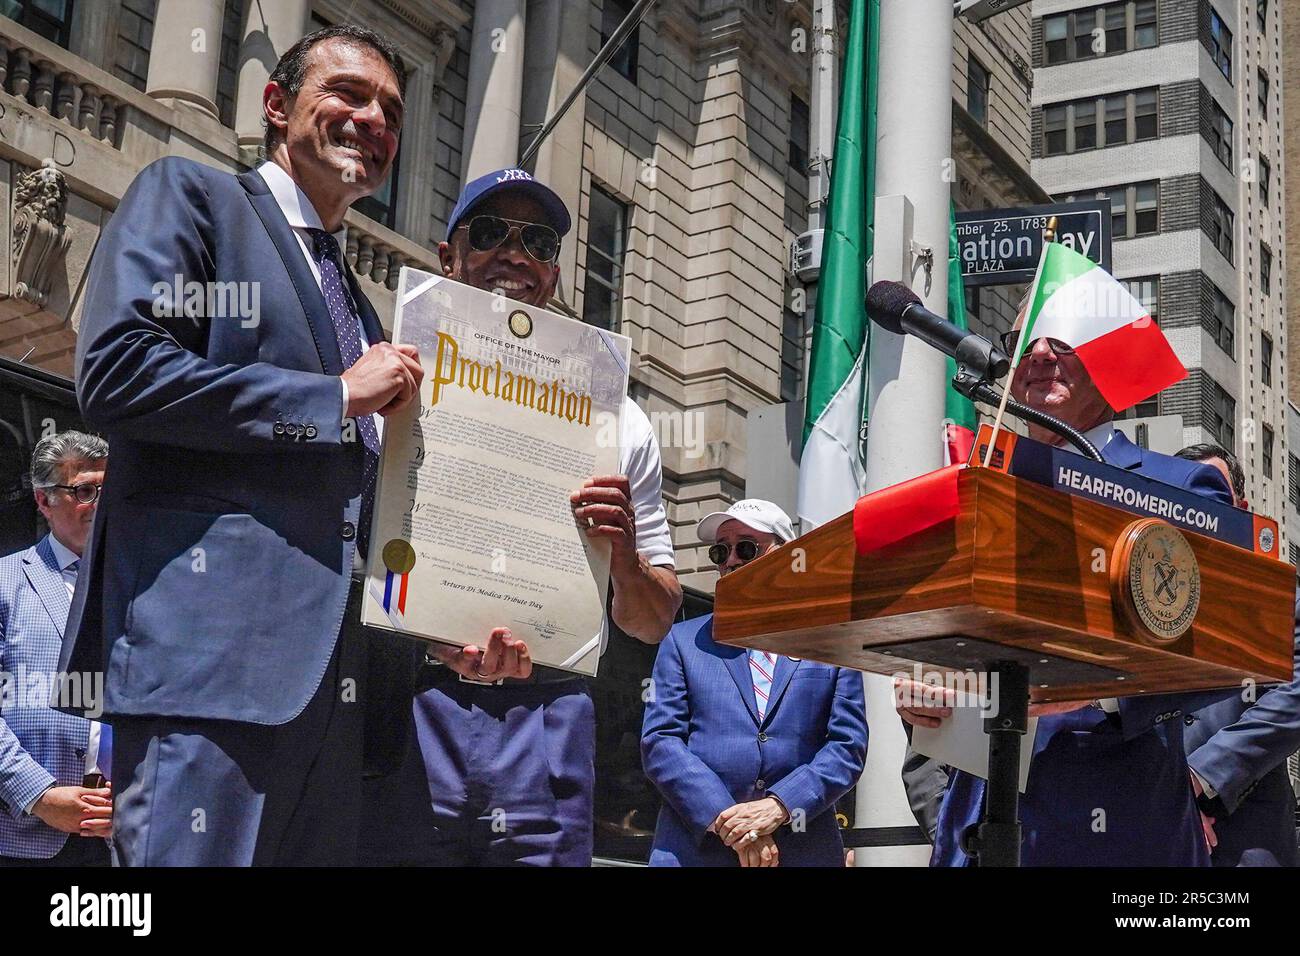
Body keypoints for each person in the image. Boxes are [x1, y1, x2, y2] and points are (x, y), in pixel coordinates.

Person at [59, 25, 434, 865]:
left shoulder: (364, 310)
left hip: (339, 701)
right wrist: (334, 396)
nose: (372, 118)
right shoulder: (191, 198)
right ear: (275, 105)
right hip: (213, 674)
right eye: (347, 93)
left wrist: (444, 615)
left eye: (391, 111)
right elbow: (120, 371)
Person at [359, 168, 682, 866]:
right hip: (413, 699)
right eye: (490, 233)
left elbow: (652, 620)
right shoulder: (386, 386)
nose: (514, 253)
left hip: (548, 716)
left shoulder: (617, 418)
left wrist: (623, 557)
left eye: (535, 239)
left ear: (554, 274)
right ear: (448, 257)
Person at [897, 310, 1236, 866]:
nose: (1039, 355)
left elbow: (1229, 640)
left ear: (1109, 367)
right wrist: (925, 682)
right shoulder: (980, 484)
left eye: (1065, 343)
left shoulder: (1177, 486)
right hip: (977, 823)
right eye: (1025, 344)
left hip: (1115, 824)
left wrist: (1096, 689)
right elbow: (945, 632)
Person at [641, 500, 868, 866]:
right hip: (696, 850)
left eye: (747, 547)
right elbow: (660, 743)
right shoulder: (682, 641)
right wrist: (731, 823)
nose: (730, 560)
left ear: (787, 556)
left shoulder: (830, 639)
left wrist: (780, 805)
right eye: (721, 550)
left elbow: (847, 746)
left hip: (800, 850)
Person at [1175, 443, 1300, 867]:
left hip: (1245, 840)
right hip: (1149, 827)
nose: (1195, 509)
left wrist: (1200, 778)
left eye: (1209, 493)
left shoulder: (1273, 592)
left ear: (1240, 506)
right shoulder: (1141, 588)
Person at [0, 432, 111, 866]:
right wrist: (38, 794)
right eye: (84, 490)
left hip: (135, 830)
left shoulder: (155, 584)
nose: (101, 502)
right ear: (44, 502)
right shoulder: (6, 583)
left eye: (109, 489)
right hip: (30, 835)